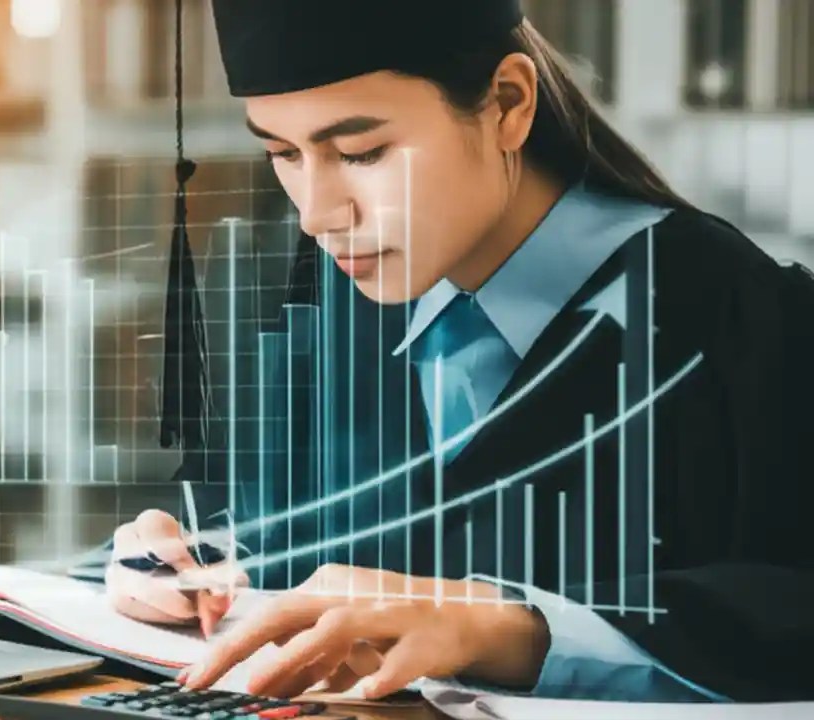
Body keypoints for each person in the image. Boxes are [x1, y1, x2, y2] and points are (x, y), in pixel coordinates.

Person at [105, 0, 814, 704]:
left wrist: (508, 628)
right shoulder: (336, 313)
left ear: (508, 103)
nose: (318, 215)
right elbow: (281, 546)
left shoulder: (733, 313)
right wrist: (189, 569)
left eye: (362, 152)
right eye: (284, 154)